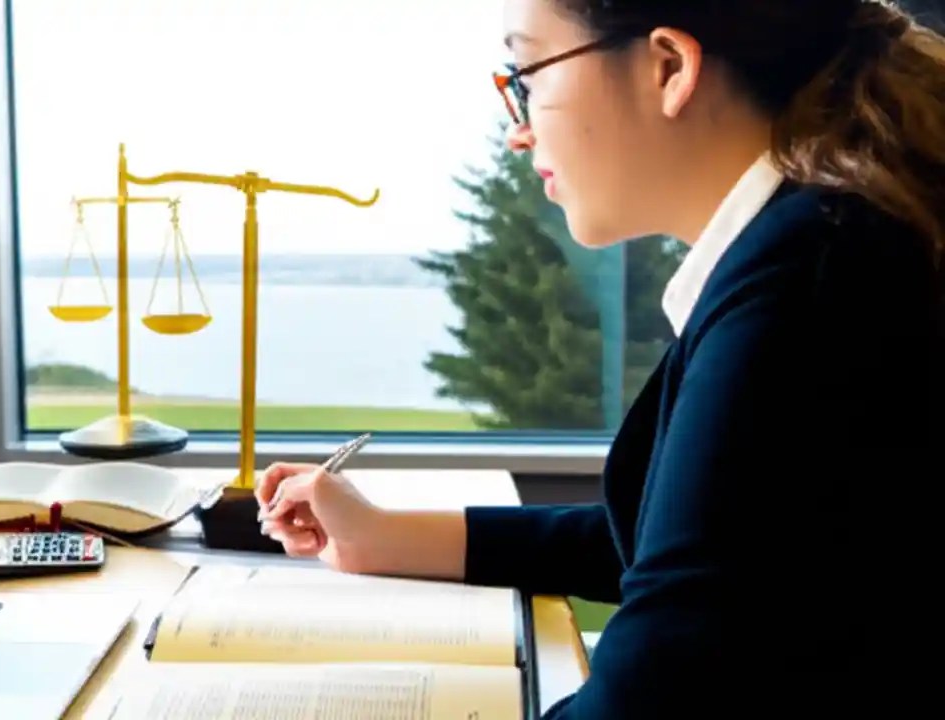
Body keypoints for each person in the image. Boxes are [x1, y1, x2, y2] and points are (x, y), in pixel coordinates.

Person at [255, 0, 945, 717]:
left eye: (527, 76)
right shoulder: (821, 244)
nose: (519, 135)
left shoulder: (811, 286)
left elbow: (657, 685)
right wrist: (387, 537)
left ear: (669, 68)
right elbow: (683, 543)